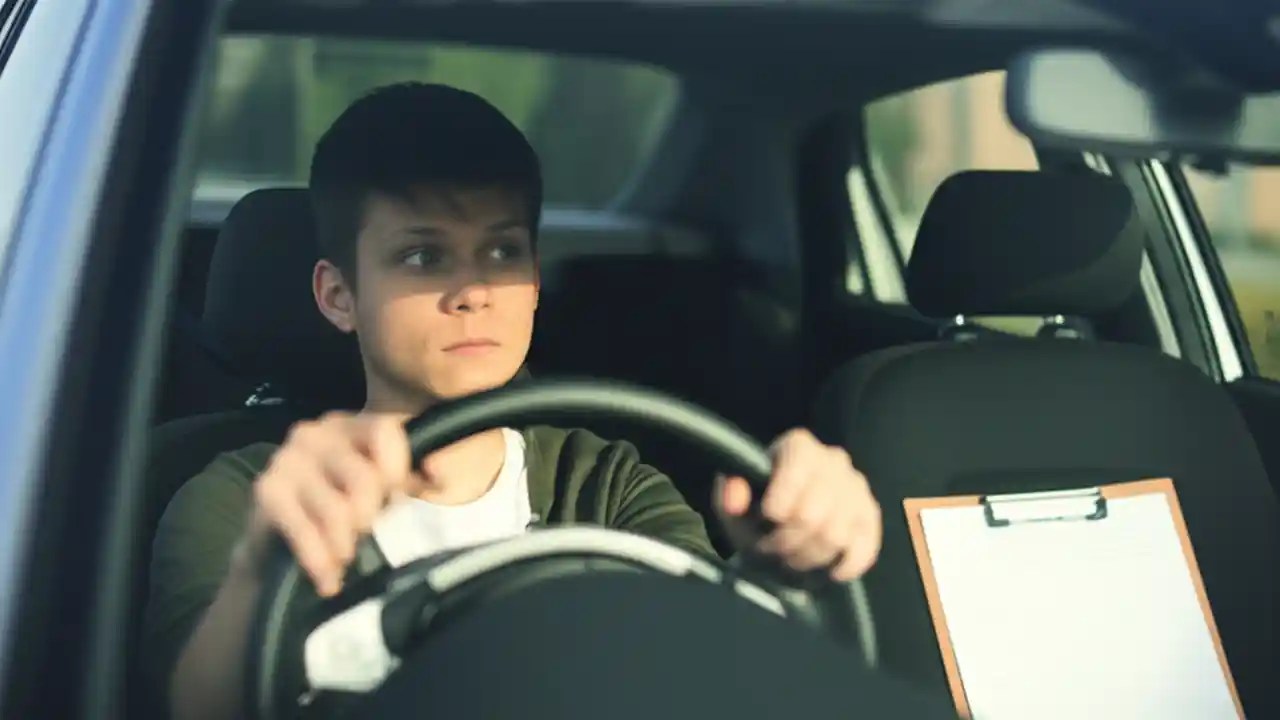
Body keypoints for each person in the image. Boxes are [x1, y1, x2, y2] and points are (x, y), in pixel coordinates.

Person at [142, 83, 883, 720]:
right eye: (424, 256)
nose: (474, 293)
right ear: (339, 295)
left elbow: (700, 660)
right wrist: (264, 570)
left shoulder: (604, 483)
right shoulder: (250, 498)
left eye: (502, 253)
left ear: (533, 281)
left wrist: (786, 563)